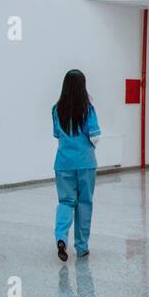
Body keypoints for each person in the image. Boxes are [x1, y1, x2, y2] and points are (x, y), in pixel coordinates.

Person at [52, 69, 101, 261]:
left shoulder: (56, 109)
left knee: (65, 202)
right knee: (84, 203)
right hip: (85, 163)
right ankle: (81, 247)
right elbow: (95, 135)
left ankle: (61, 238)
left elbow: (57, 135)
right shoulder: (87, 109)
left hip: (63, 163)